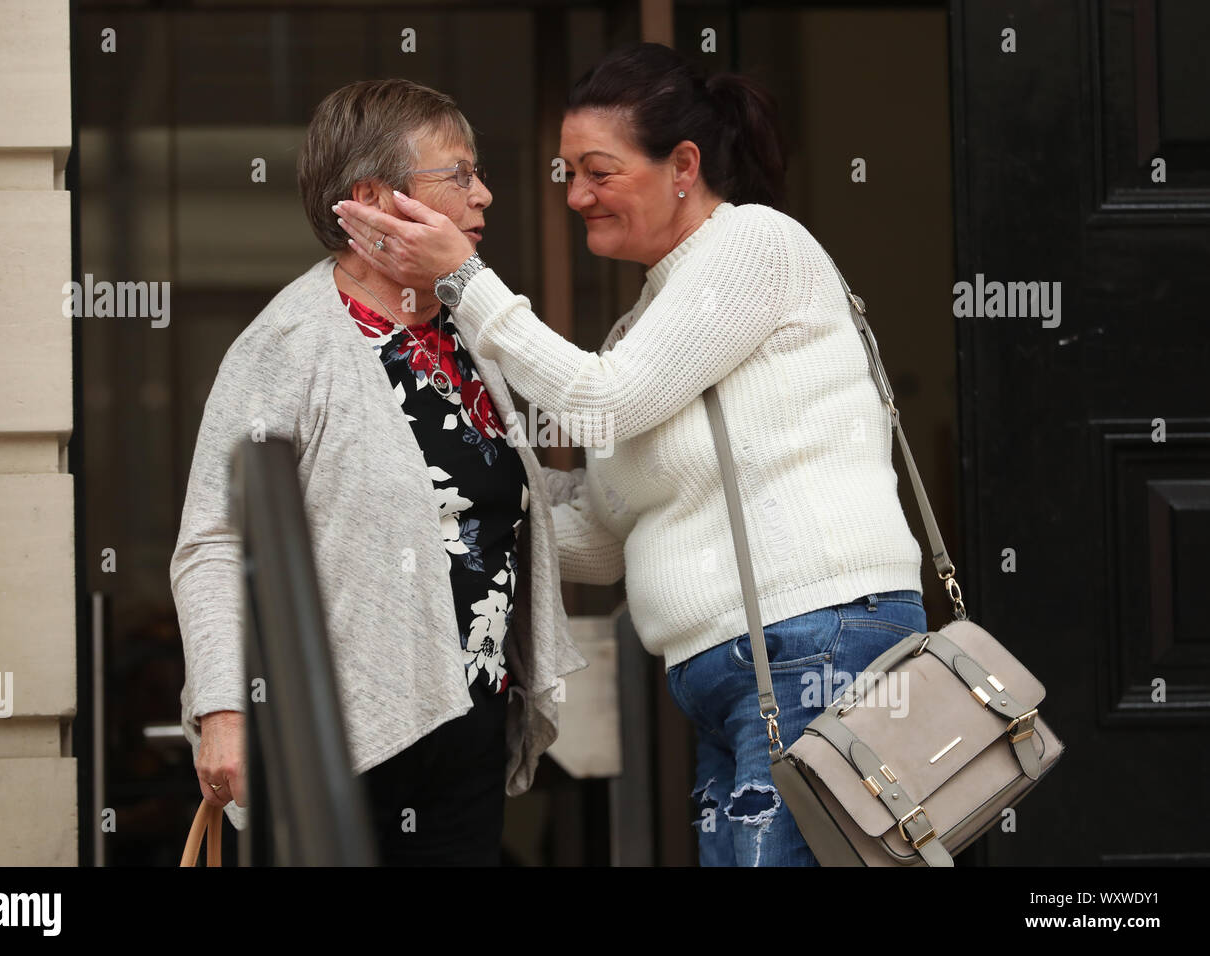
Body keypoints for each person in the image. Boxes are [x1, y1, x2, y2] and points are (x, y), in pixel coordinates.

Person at [334, 43, 927, 867]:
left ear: (683, 165)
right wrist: (438, 496)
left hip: (814, 642)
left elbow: (600, 402)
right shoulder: (646, 322)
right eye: (567, 172)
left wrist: (465, 282)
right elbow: (605, 536)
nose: (575, 195)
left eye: (598, 171)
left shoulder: (756, 246)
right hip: (731, 674)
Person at [170, 78, 586, 866]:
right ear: (371, 200)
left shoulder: (471, 336)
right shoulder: (291, 342)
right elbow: (215, 540)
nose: (484, 196)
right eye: (458, 175)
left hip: (469, 732)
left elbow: (506, 506)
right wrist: (222, 709)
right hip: (340, 738)